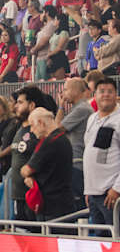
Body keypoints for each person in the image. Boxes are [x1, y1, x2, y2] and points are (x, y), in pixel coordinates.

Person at [21, 108, 74, 226]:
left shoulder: (49, 143)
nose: (31, 130)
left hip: (51, 207)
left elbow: (26, 170)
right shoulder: (64, 139)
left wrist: (28, 175)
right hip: (63, 202)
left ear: (41, 123)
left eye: (32, 125)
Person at [83, 76, 120, 234]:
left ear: (116, 95)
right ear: (95, 95)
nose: (106, 95)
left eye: (110, 91)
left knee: (115, 238)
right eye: (102, 91)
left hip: (111, 194)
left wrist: (117, 188)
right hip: (93, 193)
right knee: (100, 240)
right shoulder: (92, 118)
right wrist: (88, 190)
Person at [56, 77, 93, 208]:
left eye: (66, 90)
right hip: (74, 163)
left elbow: (56, 129)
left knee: (77, 205)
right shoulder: (77, 108)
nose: (63, 93)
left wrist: (61, 106)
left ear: (75, 91)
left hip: (77, 163)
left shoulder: (81, 109)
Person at [10, 86, 43, 222]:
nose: (16, 106)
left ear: (32, 105)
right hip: (18, 195)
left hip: (33, 195)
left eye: (20, 102)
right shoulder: (20, 128)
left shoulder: (38, 130)